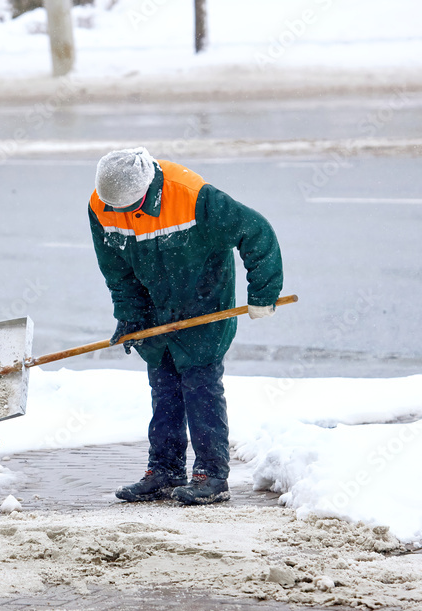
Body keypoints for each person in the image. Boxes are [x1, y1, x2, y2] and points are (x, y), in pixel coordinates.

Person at [88, 147, 283, 505]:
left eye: (128, 207)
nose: (120, 213)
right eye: (114, 207)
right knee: (163, 388)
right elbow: (117, 270)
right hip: (153, 310)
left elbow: (256, 232)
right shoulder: (101, 206)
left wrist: (263, 293)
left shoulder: (193, 197)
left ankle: (211, 475)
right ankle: (164, 470)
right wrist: (131, 316)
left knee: (200, 386)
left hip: (203, 302)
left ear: (145, 190)